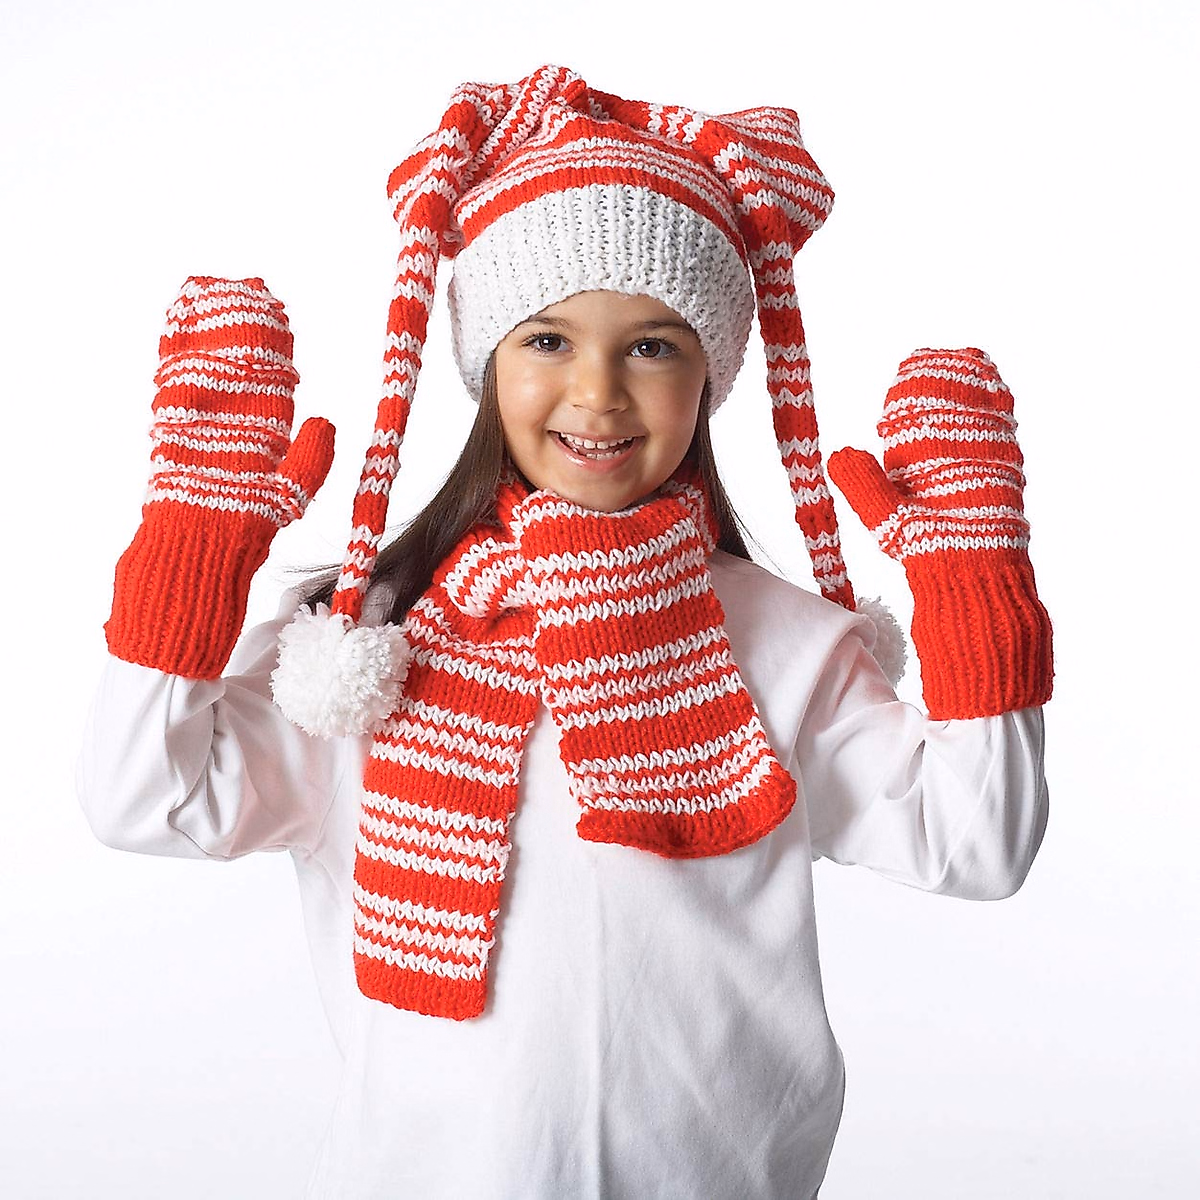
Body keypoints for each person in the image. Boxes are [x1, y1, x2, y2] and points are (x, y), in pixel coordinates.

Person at [78, 64, 1053, 1199]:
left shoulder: (786, 643)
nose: (597, 393)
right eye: (547, 340)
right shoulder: (361, 650)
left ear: (711, 375)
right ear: (485, 362)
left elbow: (978, 846)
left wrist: (976, 583)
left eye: (653, 346)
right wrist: (191, 548)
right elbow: (142, 799)